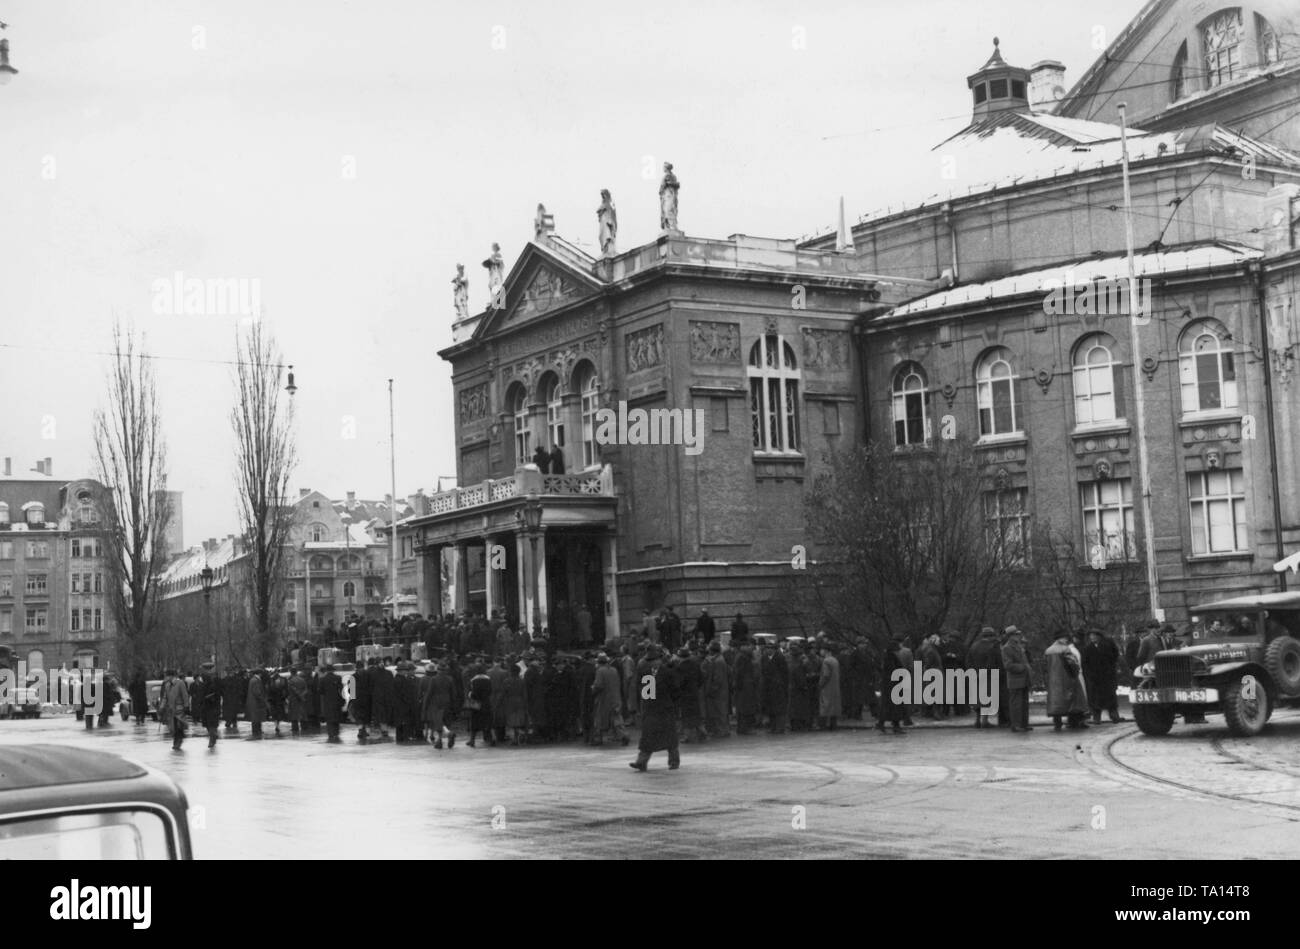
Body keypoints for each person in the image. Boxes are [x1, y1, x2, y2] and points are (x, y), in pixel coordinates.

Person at [630, 646, 680, 771]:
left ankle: (670, 761)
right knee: (658, 737)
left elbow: (674, 691)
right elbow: (673, 691)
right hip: (659, 709)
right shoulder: (657, 672)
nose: (652, 662)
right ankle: (644, 762)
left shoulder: (654, 671)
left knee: (660, 737)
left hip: (658, 708)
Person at [1045, 632, 1089, 731]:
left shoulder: (1048, 650)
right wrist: (1076, 672)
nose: (1066, 640)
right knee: (1073, 701)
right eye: (1065, 638)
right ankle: (1074, 722)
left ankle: (1057, 723)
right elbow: (1073, 664)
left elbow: (1045, 667)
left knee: (1056, 702)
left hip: (1053, 680)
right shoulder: (1065, 649)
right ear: (1060, 639)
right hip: (1067, 678)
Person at [1082, 628, 1122, 724]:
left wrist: (1112, 669)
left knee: (1111, 697)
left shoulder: (1108, 645)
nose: (1092, 638)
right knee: (1096, 699)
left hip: (1108, 676)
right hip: (1095, 678)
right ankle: (1097, 717)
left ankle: (1114, 715)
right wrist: (1089, 675)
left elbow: (1115, 656)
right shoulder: (1088, 648)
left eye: (1094, 636)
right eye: (1091, 636)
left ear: (1099, 636)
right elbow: (1085, 663)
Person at [966, 627, 1002, 728]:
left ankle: (977, 720)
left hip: (975, 675)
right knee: (987, 698)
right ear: (990, 636)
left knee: (977, 699)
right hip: (988, 676)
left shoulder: (974, 646)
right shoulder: (992, 647)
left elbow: (968, 661)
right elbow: (993, 663)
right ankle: (984, 721)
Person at [590, 653, 628, 746]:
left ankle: (598, 738)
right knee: (617, 718)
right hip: (616, 698)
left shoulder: (600, 671)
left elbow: (599, 685)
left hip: (604, 699)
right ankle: (624, 735)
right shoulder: (614, 670)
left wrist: (592, 688)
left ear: (599, 662)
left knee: (599, 719)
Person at [1001, 627, 1032, 732]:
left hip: (1023, 679)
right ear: (1011, 636)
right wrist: (1023, 667)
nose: (1019, 636)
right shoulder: (1007, 648)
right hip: (1016, 680)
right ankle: (1016, 724)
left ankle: (1023, 724)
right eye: (1017, 634)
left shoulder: (1019, 646)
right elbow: (1008, 665)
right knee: (1016, 704)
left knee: (1024, 703)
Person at [875, 636, 908, 734]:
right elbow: (893, 670)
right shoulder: (890, 657)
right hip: (892, 685)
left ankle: (884, 724)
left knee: (888, 707)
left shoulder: (888, 656)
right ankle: (894, 726)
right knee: (893, 707)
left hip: (890, 685)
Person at [421, 661, 456, 748]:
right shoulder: (450, 679)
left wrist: (425, 705)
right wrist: (453, 703)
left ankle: (441, 739)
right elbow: (453, 693)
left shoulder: (434, 679)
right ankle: (445, 736)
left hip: (436, 703)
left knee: (438, 721)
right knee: (445, 720)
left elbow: (430, 693)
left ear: (438, 670)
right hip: (447, 702)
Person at [675, 646, 706, 742]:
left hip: (685, 695)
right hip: (694, 693)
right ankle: (702, 731)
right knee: (696, 713)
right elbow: (701, 678)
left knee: (686, 716)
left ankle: (687, 736)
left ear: (680, 657)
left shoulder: (680, 667)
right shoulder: (696, 664)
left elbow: (680, 682)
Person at [701, 640, 730, 738]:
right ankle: (721, 730)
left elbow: (718, 679)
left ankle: (723, 731)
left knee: (720, 711)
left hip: (718, 692)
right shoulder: (717, 659)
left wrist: (711, 690)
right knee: (718, 711)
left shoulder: (719, 661)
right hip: (718, 691)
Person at [192, 662, 222, 749]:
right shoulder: (204, 679)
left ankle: (212, 738)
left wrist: (210, 697)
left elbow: (217, 692)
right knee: (209, 723)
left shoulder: (213, 679)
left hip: (211, 704)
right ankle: (213, 737)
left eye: (206, 669)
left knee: (211, 723)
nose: (205, 671)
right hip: (207, 705)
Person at [732, 642, 760, 734]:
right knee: (746, 709)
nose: (751, 647)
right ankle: (746, 729)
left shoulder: (740, 656)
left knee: (743, 709)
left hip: (744, 687)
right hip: (746, 687)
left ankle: (742, 728)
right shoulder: (743, 657)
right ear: (743, 646)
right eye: (748, 645)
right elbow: (739, 673)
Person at [761, 642, 788, 734]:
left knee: (779, 709)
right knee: (771, 708)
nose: (768, 650)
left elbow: (785, 673)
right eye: (767, 648)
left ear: (774, 649)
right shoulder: (764, 658)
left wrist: (782, 684)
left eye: (770, 648)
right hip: (768, 687)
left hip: (778, 687)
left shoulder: (780, 658)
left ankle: (780, 727)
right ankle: (773, 727)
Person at [161, 669, 190, 751]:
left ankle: (178, 741)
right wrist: (162, 707)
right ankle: (177, 740)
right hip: (171, 710)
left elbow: (185, 695)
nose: (165, 678)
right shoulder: (167, 685)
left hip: (179, 709)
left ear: (171, 676)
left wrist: (186, 706)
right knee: (172, 727)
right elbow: (165, 697)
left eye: (166, 676)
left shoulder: (180, 683)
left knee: (179, 726)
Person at [466, 664, 495, 747]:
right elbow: (490, 691)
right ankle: (492, 738)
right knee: (488, 721)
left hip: (476, 704)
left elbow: (472, 692)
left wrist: (470, 695)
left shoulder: (473, 680)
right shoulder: (488, 679)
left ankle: (472, 740)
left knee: (474, 722)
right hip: (486, 702)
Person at [818, 644, 842, 730]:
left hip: (827, 687)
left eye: (822, 650)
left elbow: (826, 675)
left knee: (825, 706)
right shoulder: (835, 660)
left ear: (826, 651)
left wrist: (820, 684)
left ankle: (823, 725)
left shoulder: (826, 661)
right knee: (834, 706)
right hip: (835, 686)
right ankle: (833, 725)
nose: (821, 652)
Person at [318, 663, 343, 743]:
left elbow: (320, 691)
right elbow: (341, 690)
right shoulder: (338, 678)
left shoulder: (322, 679)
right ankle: (336, 733)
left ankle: (331, 734)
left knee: (329, 719)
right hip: (337, 701)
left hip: (327, 702)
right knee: (336, 717)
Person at [245, 669, 268, 740]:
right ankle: (256, 731)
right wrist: (263, 700)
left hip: (254, 702)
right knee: (256, 718)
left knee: (256, 717)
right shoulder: (256, 681)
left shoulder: (253, 680)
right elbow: (257, 692)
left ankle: (257, 730)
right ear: (259, 673)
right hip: (255, 702)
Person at [287, 666, 309, 736]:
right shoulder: (302, 680)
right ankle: (305, 729)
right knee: (303, 715)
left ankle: (295, 730)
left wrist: (299, 696)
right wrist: (302, 696)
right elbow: (306, 689)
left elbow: (293, 690)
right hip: (302, 700)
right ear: (296, 672)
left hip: (294, 700)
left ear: (291, 672)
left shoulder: (290, 680)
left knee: (294, 717)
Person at [221, 667, 244, 732]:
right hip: (231, 698)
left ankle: (230, 721)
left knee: (231, 711)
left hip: (231, 698)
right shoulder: (235, 680)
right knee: (231, 711)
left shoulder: (226, 680)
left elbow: (240, 689)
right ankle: (231, 721)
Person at [267, 669, 288, 737]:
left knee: (276, 714)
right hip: (277, 699)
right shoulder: (279, 679)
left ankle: (277, 725)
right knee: (277, 714)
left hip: (276, 699)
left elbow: (268, 690)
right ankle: (277, 725)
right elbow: (286, 689)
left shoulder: (271, 679)